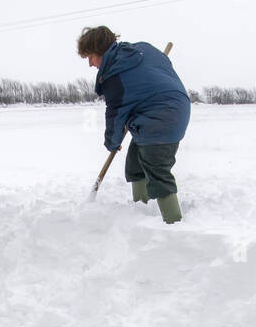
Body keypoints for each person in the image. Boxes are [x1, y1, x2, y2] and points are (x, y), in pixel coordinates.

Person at [78, 25, 190, 224]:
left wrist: (112, 143)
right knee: (135, 163)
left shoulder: (114, 74)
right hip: (175, 108)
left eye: (90, 57)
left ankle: (174, 224)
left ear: (101, 51)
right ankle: (142, 212)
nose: (90, 64)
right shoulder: (143, 49)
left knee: (157, 168)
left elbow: (115, 115)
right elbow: (161, 69)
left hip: (159, 116)